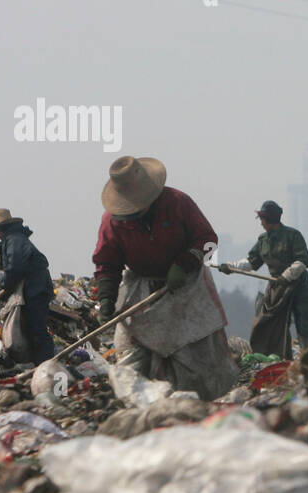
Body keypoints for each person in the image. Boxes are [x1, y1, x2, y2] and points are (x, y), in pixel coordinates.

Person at [92, 156, 237, 399]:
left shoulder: (178, 202)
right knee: (133, 353)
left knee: (194, 351)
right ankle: (142, 400)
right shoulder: (113, 222)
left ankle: (202, 398)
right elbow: (106, 262)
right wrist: (106, 299)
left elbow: (208, 240)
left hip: (186, 285)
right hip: (142, 286)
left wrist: (185, 263)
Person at [219, 200, 308, 357]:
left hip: (298, 285)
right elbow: (251, 262)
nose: (261, 223)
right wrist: (231, 267)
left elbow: (304, 260)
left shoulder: (293, 236)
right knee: (267, 322)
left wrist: (286, 276)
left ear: (269, 219)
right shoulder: (263, 240)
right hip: (276, 286)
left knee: (303, 321)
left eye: (262, 219)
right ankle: (277, 357)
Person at [0, 208, 55, 365]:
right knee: (30, 327)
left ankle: (47, 365)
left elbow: (15, 267)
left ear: (0, 230)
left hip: (36, 288)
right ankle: (38, 364)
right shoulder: (15, 239)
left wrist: (5, 287)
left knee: (37, 328)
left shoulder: (14, 240)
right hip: (34, 287)